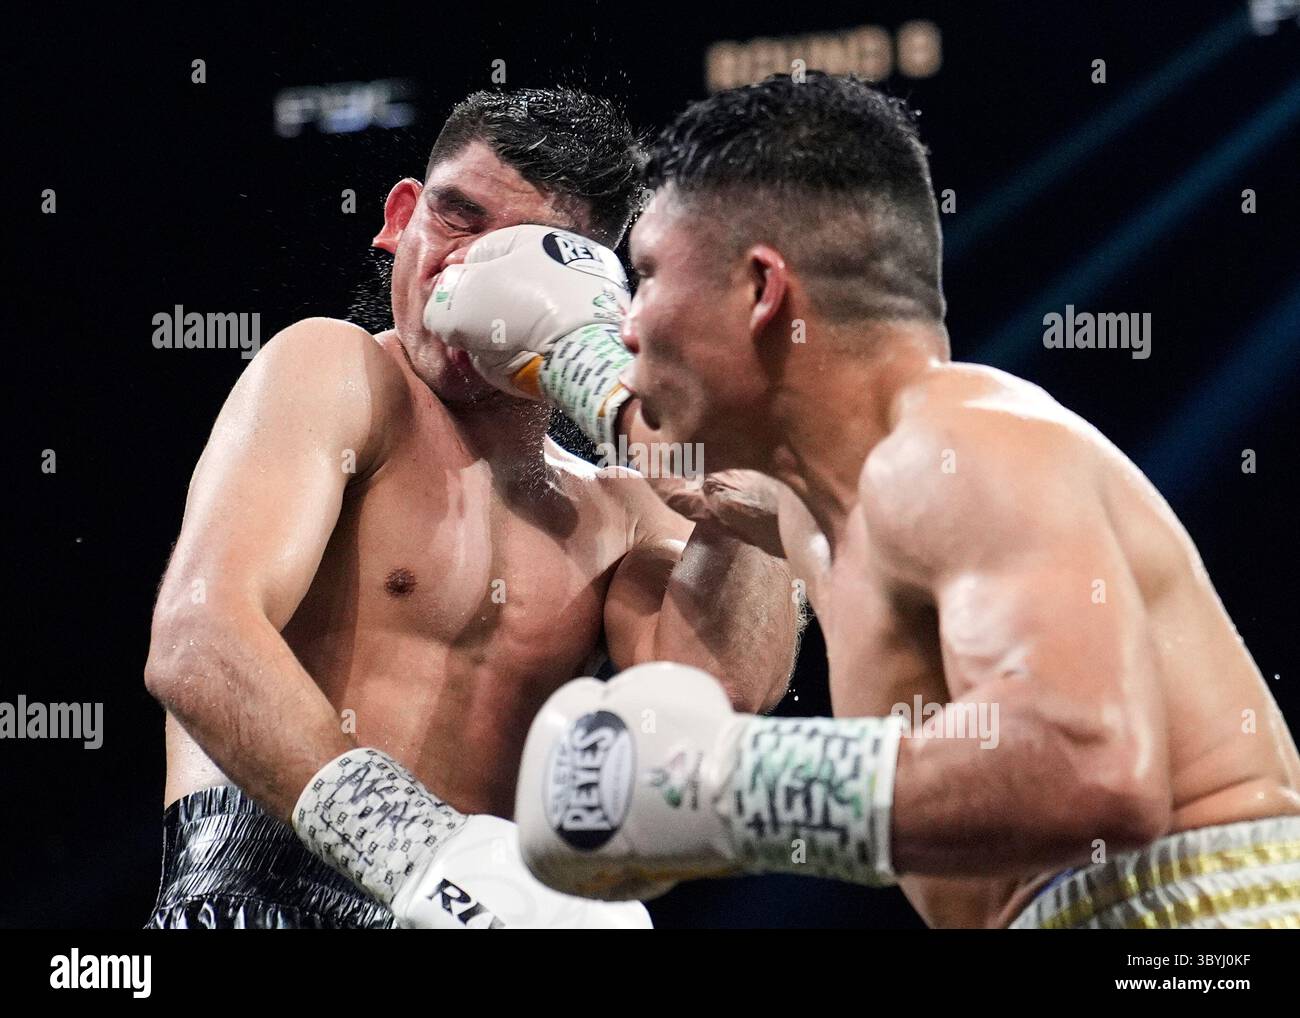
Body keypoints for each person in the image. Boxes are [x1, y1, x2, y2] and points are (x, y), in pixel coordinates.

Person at [462, 73, 1300, 929]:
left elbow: (1092, 768)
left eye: (645, 277)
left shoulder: (958, 447)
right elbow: (679, 464)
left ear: (761, 291)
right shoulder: (817, 503)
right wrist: (568, 349)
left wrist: (721, 785)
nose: (629, 324)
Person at [143, 86, 799, 929]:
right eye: (457, 220)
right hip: (260, 889)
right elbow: (196, 641)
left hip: (477, 908)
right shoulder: (340, 374)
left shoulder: (622, 509)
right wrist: (418, 851)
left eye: (527, 252)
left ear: (601, 292)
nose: (467, 270)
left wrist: (742, 498)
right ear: (400, 218)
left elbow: (715, 702)